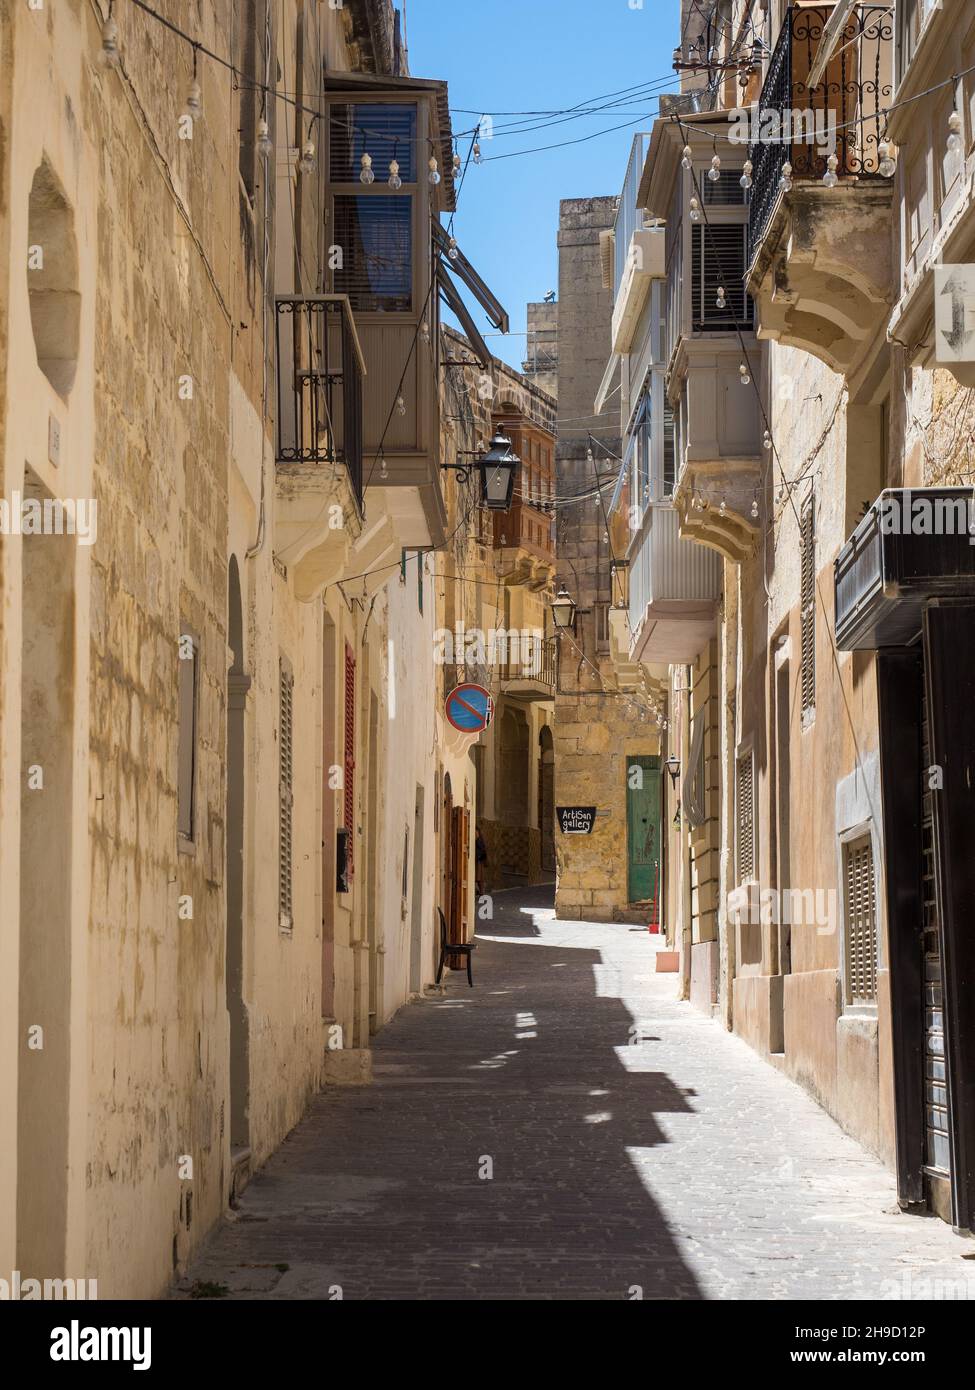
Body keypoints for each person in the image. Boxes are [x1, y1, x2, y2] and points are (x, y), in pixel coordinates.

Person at [474, 826, 488, 898]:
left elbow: (481, 849)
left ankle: (480, 891)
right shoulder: (480, 840)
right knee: (478, 876)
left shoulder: (479, 840)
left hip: (478, 860)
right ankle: (480, 891)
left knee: (479, 876)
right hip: (478, 860)